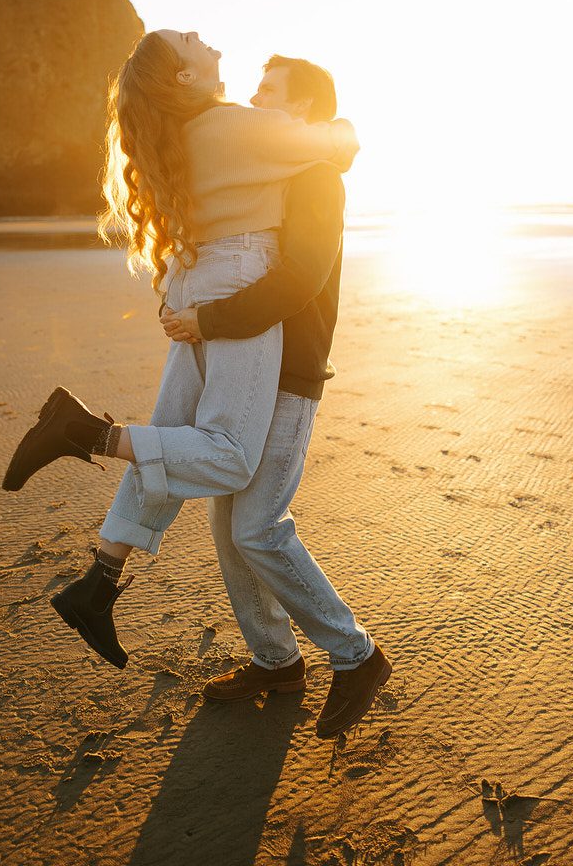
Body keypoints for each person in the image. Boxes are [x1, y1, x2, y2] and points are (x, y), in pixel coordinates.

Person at [2, 30, 357, 683]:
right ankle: (85, 431)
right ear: (186, 79)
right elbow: (338, 148)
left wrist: (187, 301)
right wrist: (339, 128)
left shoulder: (190, 134)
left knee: (173, 450)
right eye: (190, 43)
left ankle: (100, 583)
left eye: (269, 95)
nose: (255, 101)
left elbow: (293, 262)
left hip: (198, 280)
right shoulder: (238, 130)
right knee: (225, 459)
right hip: (231, 287)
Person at [160, 55, 391, 738]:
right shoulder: (271, 170)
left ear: (307, 113)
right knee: (229, 530)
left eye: (268, 92)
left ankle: (358, 655)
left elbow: (297, 277)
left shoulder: (316, 177)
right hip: (237, 366)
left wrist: (208, 320)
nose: (252, 102)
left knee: (259, 526)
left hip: (289, 372)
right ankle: (277, 659)